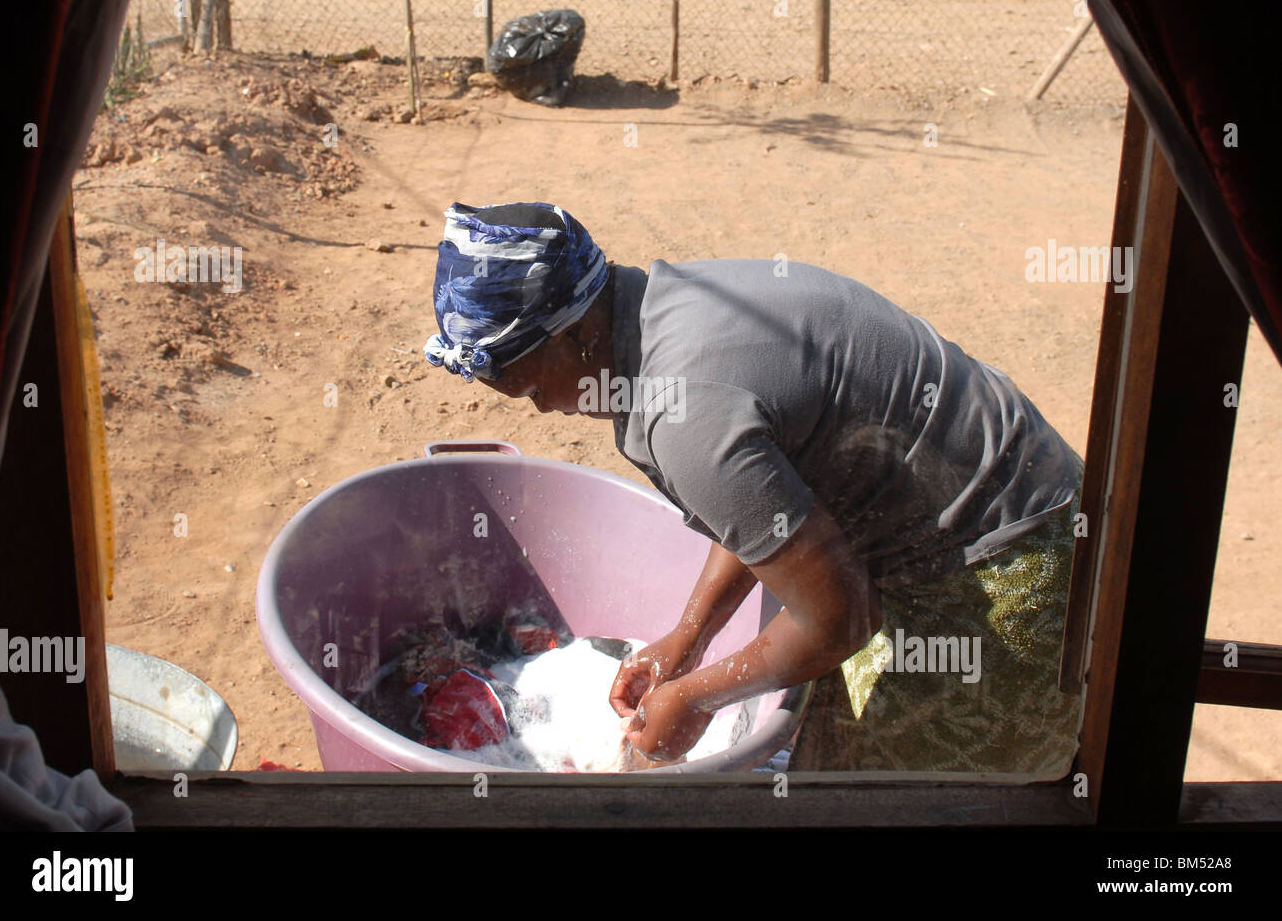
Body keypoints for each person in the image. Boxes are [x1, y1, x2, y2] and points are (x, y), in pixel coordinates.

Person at [425, 201, 1084, 775]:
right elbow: (765, 500)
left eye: (536, 389)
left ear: (575, 335)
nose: (542, 412)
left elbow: (841, 618)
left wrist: (697, 698)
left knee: (884, 804)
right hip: (1015, 495)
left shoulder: (681, 412)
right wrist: (690, 635)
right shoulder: (675, 306)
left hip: (1012, 575)